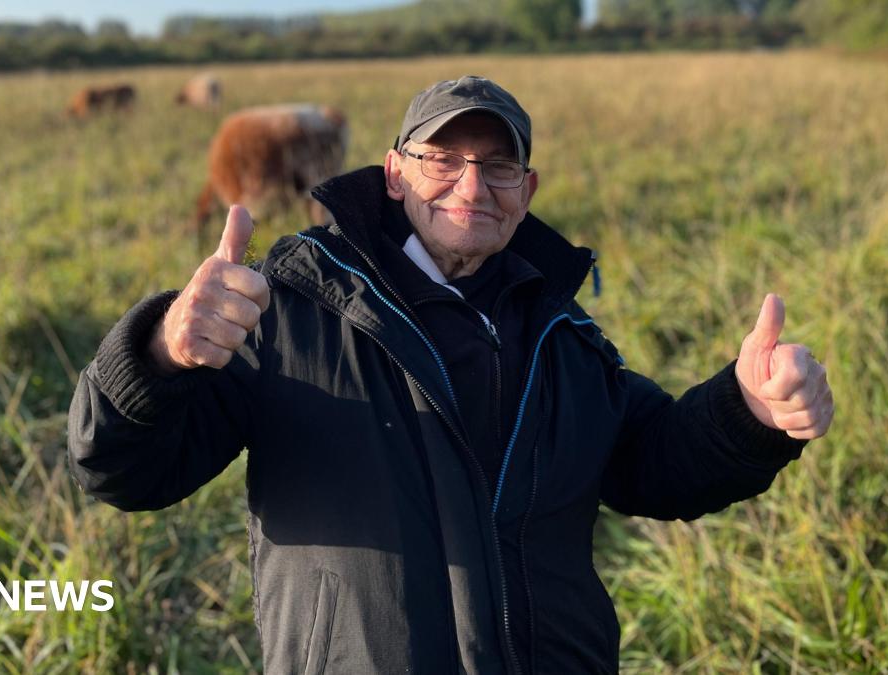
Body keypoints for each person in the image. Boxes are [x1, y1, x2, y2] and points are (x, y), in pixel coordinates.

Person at [67, 75, 834, 674]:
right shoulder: (291, 310)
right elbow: (123, 470)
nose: (473, 186)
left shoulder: (561, 336)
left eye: (499, 167)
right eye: (444, 159)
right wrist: (162, 353)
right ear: (395, 175)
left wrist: (749, 410)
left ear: (526, 192)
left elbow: (655, 464)